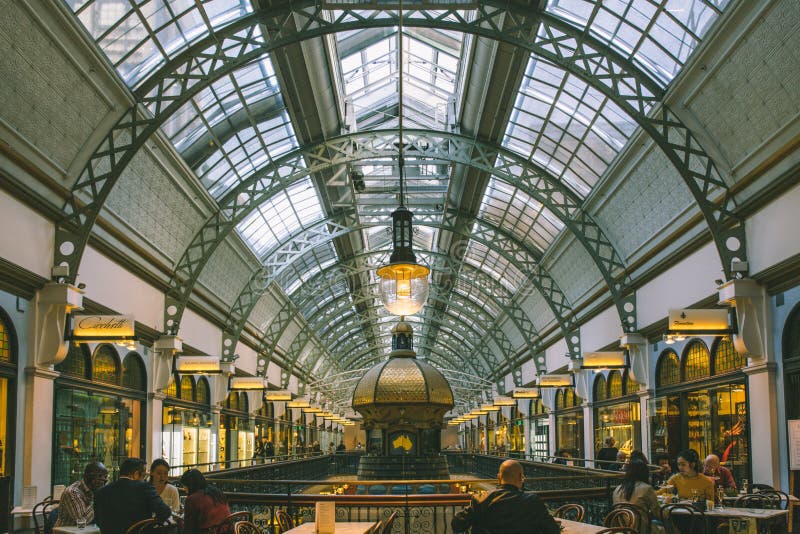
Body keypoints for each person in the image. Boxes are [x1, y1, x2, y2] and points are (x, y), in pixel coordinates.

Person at [452, 459, 560, 534]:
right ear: (521, 478)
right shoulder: (533, 502)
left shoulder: (480, 499)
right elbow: (552, 530)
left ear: (499, 478)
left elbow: (457, 525)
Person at [94, 457, 171, 534]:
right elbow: (165, 512)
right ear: (136, 474)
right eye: (143, 476)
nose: (144, 480)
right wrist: (152, 521)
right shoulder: (145, 487)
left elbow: (98, 522)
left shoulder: (100, 492)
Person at [55, 461, 107, 527]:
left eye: (105, 477)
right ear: (88, 476)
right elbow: (82, 521)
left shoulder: (94, 490)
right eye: (100, 476)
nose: (103, 480)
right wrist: (99, 495)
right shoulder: (72, 492)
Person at [180, 468, 231, 533]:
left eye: (184, 486)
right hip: (228, 531)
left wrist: (180, 522)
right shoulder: (217, 493)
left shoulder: (192, 499)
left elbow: (189, 528)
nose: (184, 489)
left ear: (190, 485)